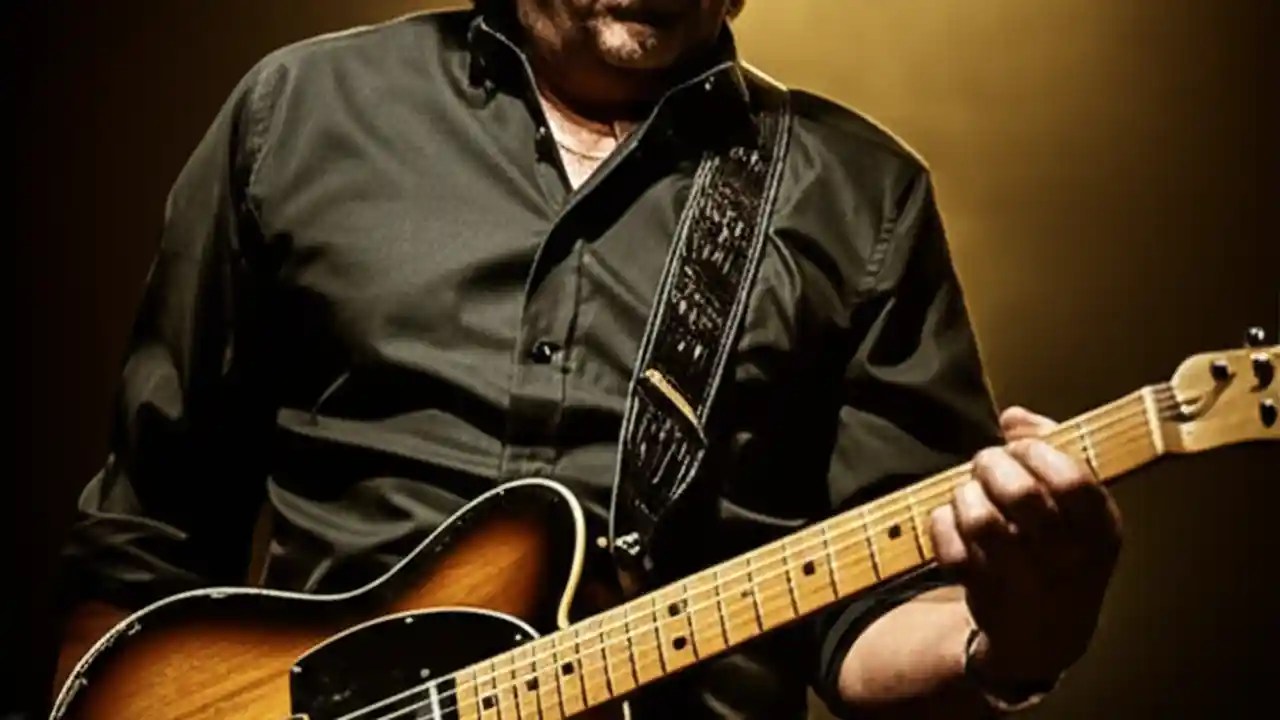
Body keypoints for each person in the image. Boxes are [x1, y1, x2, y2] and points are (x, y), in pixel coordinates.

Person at [54, 1, 1123, 718]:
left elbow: (868, 623)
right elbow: (147, 530)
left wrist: (1021, 633)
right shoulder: (296, 114)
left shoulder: (860, 198)